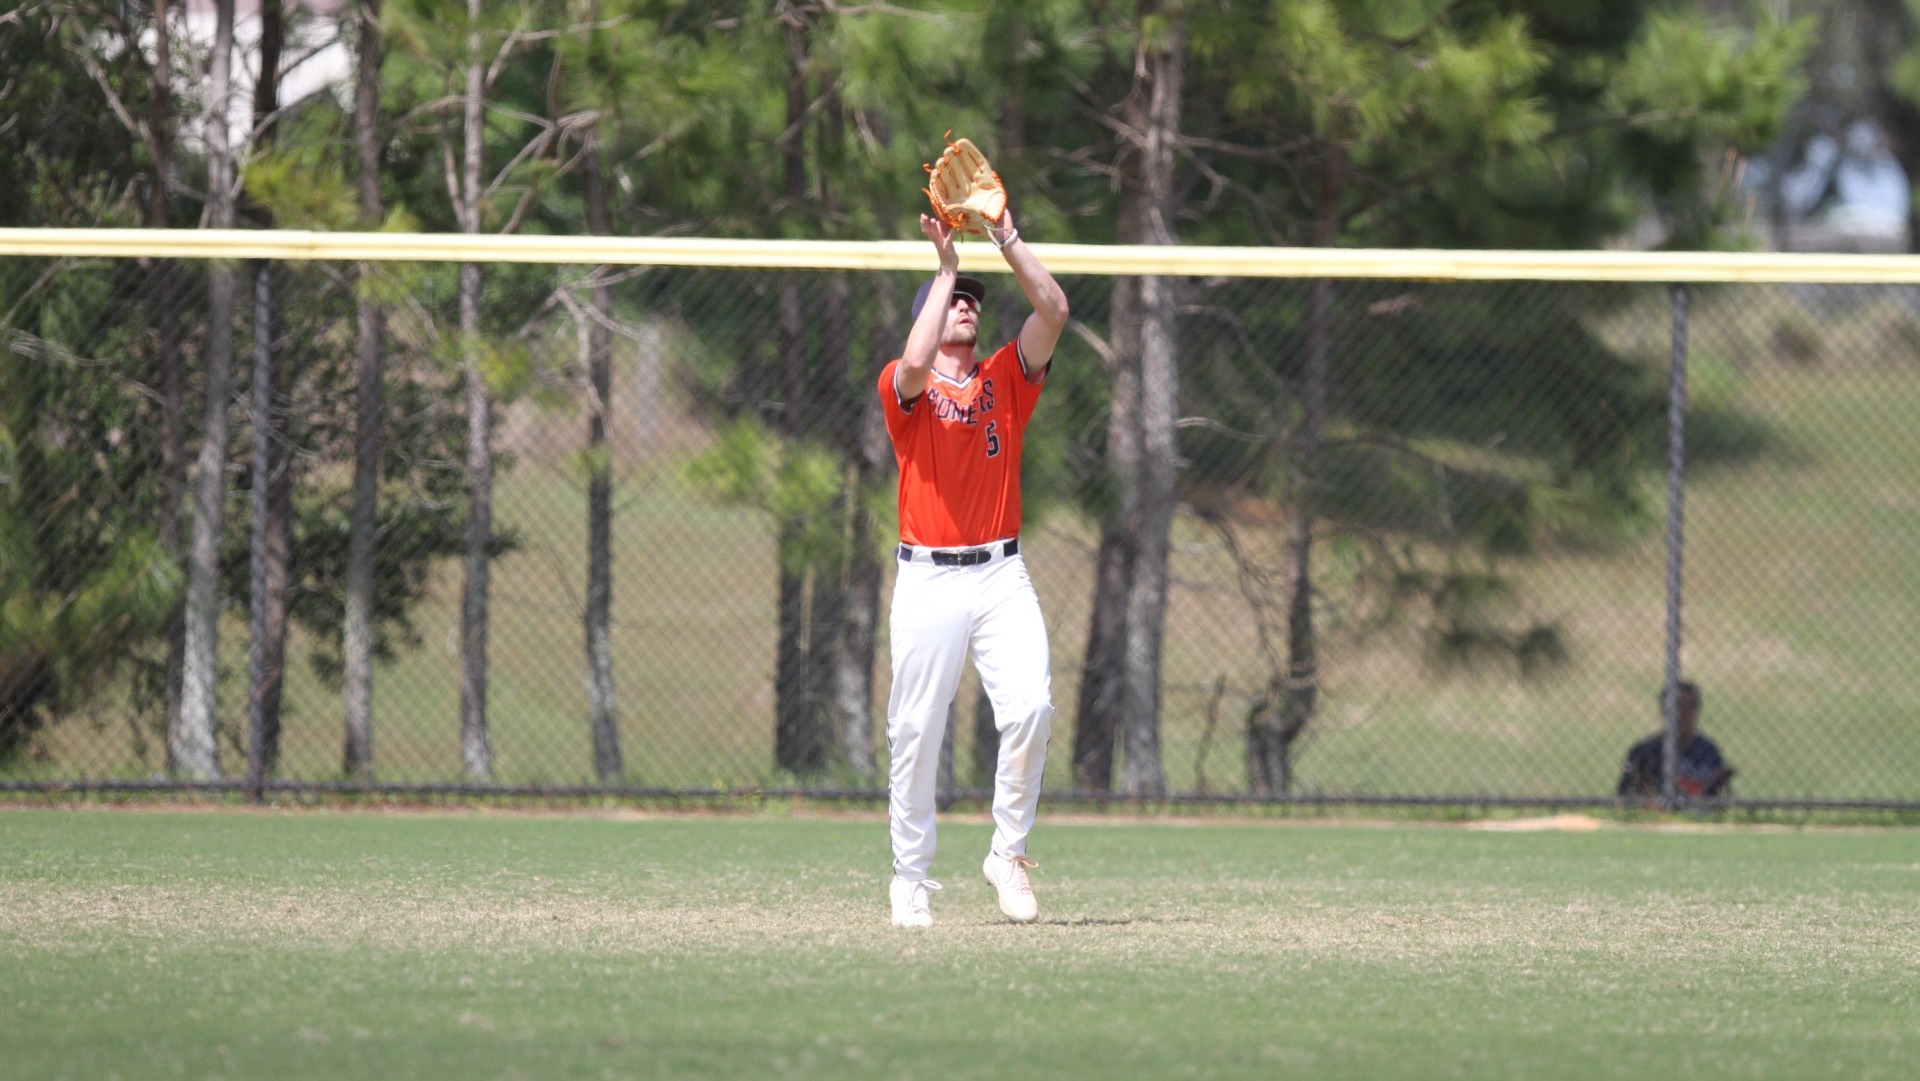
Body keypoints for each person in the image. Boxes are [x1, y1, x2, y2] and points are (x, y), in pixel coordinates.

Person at [879, 202, 1069, 929]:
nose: (966, 307)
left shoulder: (1004, 379)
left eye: (970, 303)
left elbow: (1053, 307)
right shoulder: (904, 387)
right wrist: (945, 267)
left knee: (1031, 707)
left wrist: (1005, 237)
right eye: (953, 302)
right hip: (928, 575)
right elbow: (916, 364)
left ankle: (1007, 852)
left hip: (999, 573)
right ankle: (910, 877)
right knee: (917, 727)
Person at [1616, 680, 1735, 800]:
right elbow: (1624, 795)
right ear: (1664, 710)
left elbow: (1720, 796)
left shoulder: (1708, 750)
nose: (1683, 714)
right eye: (1677, 707)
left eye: (1690, 707)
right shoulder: (1644, 752)